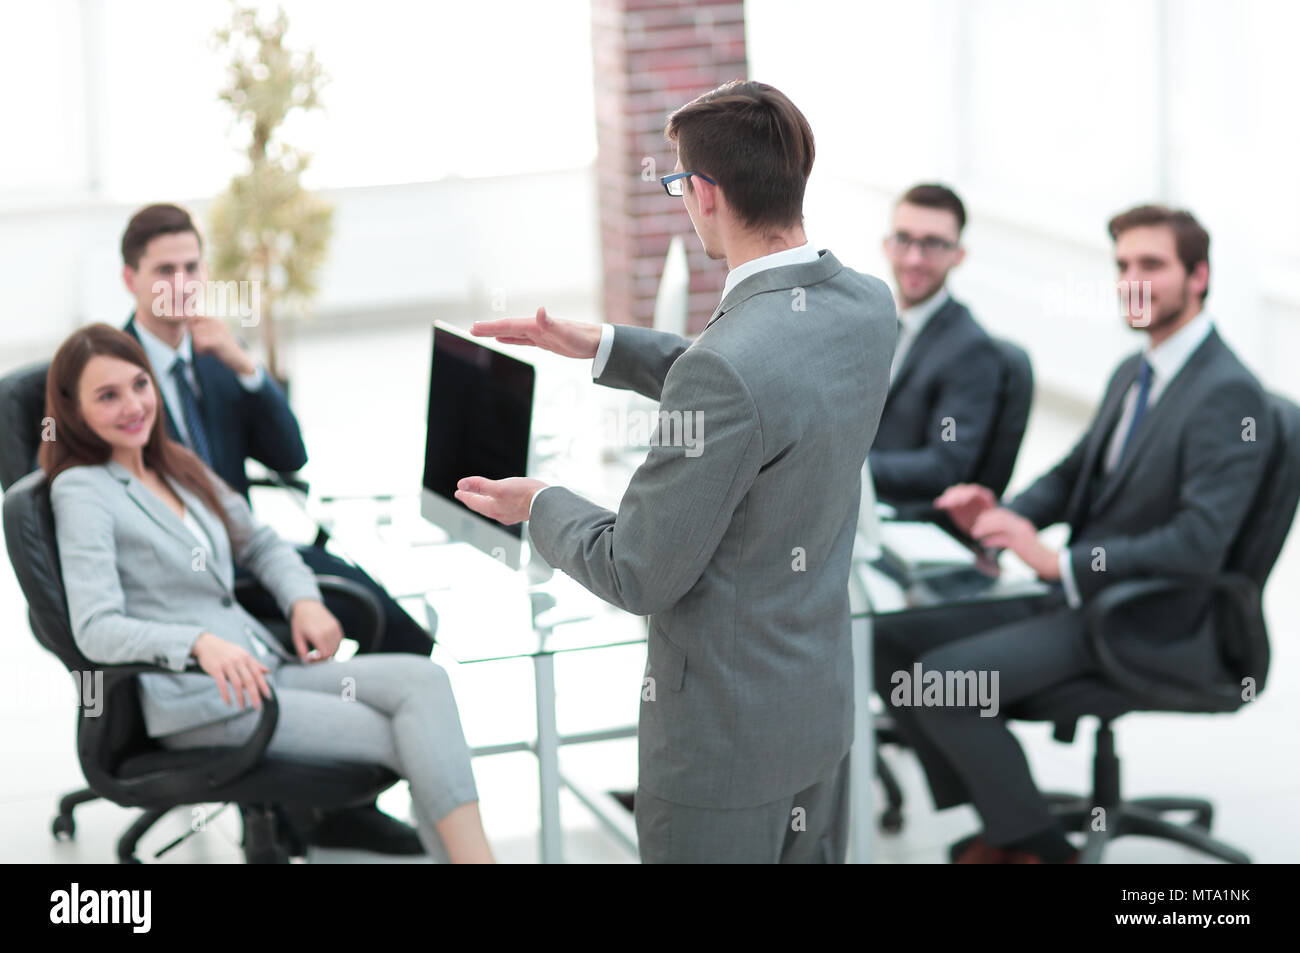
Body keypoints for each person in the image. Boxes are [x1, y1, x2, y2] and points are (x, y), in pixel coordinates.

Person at [458, 81, 897, 863]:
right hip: (816, 717)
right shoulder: (866, 307)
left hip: (721, 754)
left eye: (677, 184)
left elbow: (638, 571)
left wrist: (540, 502)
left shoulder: (728, 368)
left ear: (704, 193)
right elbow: (770, 389)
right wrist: (602, 345)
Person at [874, 204, 1269, 863]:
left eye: (1152, 265)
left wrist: (1063, 563)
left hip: (1152, 618)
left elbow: (1200, 542)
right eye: (1122, 266)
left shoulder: (1225, 393)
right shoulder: (1136, 372)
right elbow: (1072, 473)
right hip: (1086, 595)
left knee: (940, 681)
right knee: (889, 640)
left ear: (1198, 275)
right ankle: (1005, 825)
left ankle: (1036, 848)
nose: (1131, 281)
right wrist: (1005, 516)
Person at [41, 324, 493, 864]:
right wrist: (198, 644)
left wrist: (303, 599)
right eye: (107, 396)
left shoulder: (174, 464)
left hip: (264, 665)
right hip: (205, 700)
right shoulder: (83, 491)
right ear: (71, 409)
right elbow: (95, 626)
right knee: (408, 737)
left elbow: (261, 544)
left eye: (139, 384)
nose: (134, 405)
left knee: (427, 680)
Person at [118, 203, 434, 852]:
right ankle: (304, 803)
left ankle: (340, 800)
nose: (180, 282)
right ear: (131, 279)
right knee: (357, 618)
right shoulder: (119, 379)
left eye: (191, 266)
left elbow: (291, 456)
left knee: (399, 628)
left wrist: (243, 364)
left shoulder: (210, 357)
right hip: (187, 578)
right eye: (162, 270)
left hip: (250, 553)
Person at [870, 183, 1002, 510]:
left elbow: (945, 464)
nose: (915, 259)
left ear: (958, 255)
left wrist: (849, 468)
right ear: (886, 245)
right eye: (904, 240)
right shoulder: (870, 322)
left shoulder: (970, 350)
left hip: (902, 519)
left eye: (933, 244)